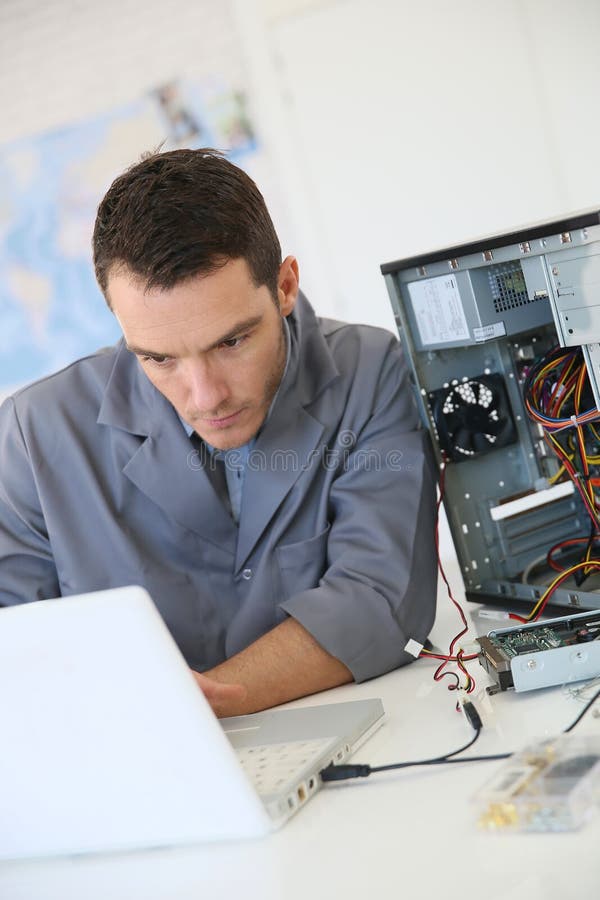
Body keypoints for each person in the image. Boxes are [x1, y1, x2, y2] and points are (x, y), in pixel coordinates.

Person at [0, 149, 437, 717]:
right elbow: (17, 660)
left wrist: (191, 710)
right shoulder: (32, 436)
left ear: (285, 285)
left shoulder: (370, 370)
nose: (204, 397)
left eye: (231, 342)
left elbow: (380, 598)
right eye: (158, 358)